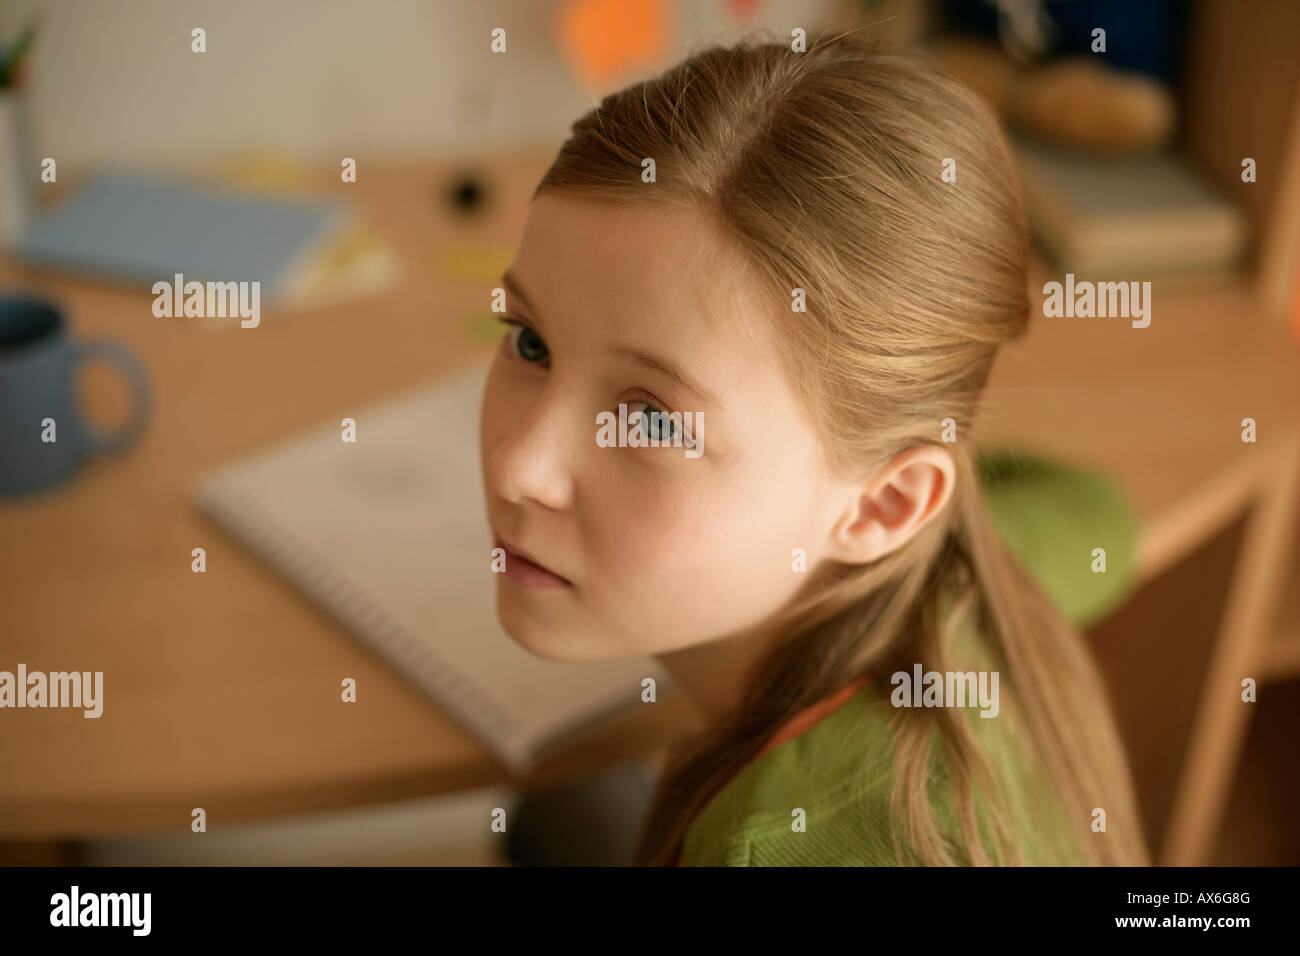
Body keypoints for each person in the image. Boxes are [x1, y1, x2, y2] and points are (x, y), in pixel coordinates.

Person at [478, 29, 1148, 866]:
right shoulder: (973, 559)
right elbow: (1101, 515)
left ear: (883, 505)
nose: (517, 467)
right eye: (530, 341)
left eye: (651, 419)